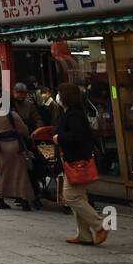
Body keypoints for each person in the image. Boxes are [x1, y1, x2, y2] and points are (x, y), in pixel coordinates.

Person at [54, 82, 107, 247]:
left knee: (70, 196)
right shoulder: (70, 113)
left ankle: (99, 225)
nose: (57, 97)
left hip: (77, 161)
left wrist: (59, 138)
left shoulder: (74, 115)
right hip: (73, 161)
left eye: (59, 94)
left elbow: (77, 137)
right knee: (79, 197)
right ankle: (84, 235)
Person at [0, 92, 34, 210]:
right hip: (14, 144)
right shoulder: (12, 114)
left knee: (2, 171)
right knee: (20, 172)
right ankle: (24, 199)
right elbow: (24, 130)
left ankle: (0, 199)